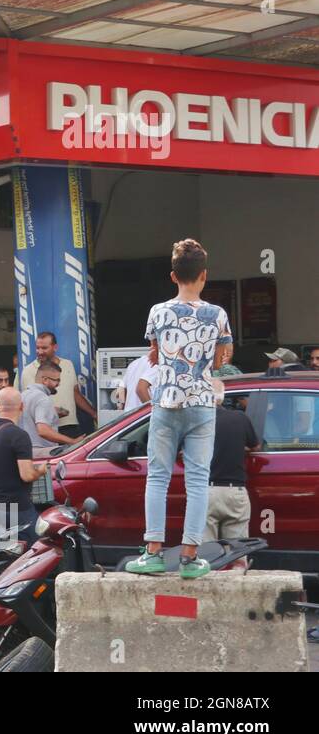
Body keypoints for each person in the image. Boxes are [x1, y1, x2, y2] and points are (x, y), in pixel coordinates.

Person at [125, 239, 232, 580]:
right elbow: (220, 360)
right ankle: (189, 557)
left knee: (157, 477)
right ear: (204, 275)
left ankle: (153, 552)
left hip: (166, 402)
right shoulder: (218, 314)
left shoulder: (158, 311)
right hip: (201, 402)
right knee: (198, 480)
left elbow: (154, 354)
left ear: (173, 276)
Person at [0, 388, 48, 542]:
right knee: (36, 552)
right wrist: (40, 471)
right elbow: (26, 475)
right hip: (18, 510)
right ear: (22, 407)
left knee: (2, 555)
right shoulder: (20, 436)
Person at [205, 381, 259, 542]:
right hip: (236, 491)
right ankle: (237, 566)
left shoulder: (195, 422)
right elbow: (255, 446)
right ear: (222, 398)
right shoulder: (240, 418)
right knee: (238, 551)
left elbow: (180, 452)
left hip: (206, 491)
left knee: (207, 554)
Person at [17, 332, 96, 437]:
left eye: (44, 348)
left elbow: (75, 393)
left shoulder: (68, 365)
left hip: (70, 426)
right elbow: (30, 402)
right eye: (37, 348)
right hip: (46, 429)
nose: (40, 352)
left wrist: (94, 414)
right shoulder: (28, 371)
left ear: (55, 347)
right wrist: (54, 412)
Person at [20, 362, 78, 450]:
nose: (59, 384)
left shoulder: (22, 395)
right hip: (41, 452)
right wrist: (73, 442)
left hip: (23, 451)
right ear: (45, 380)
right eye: (56, 380)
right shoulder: (43, 399)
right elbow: (43, 431)